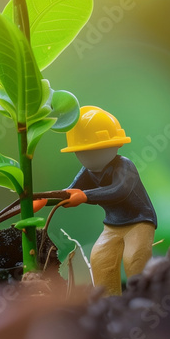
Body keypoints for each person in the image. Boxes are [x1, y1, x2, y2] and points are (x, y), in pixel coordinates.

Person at [61, 106, 157, 295]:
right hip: (112, 225)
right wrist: (43, 200)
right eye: (82, 152)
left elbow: (118, 191)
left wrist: (85, 196)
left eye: (94, 150)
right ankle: (109, 308)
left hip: (139, 221)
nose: (88, 156)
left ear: (115, 145)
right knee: (100, 260)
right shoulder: (88, 171)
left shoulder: (124, 166)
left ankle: (145, 302)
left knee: (134, 259)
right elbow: (70, 191)